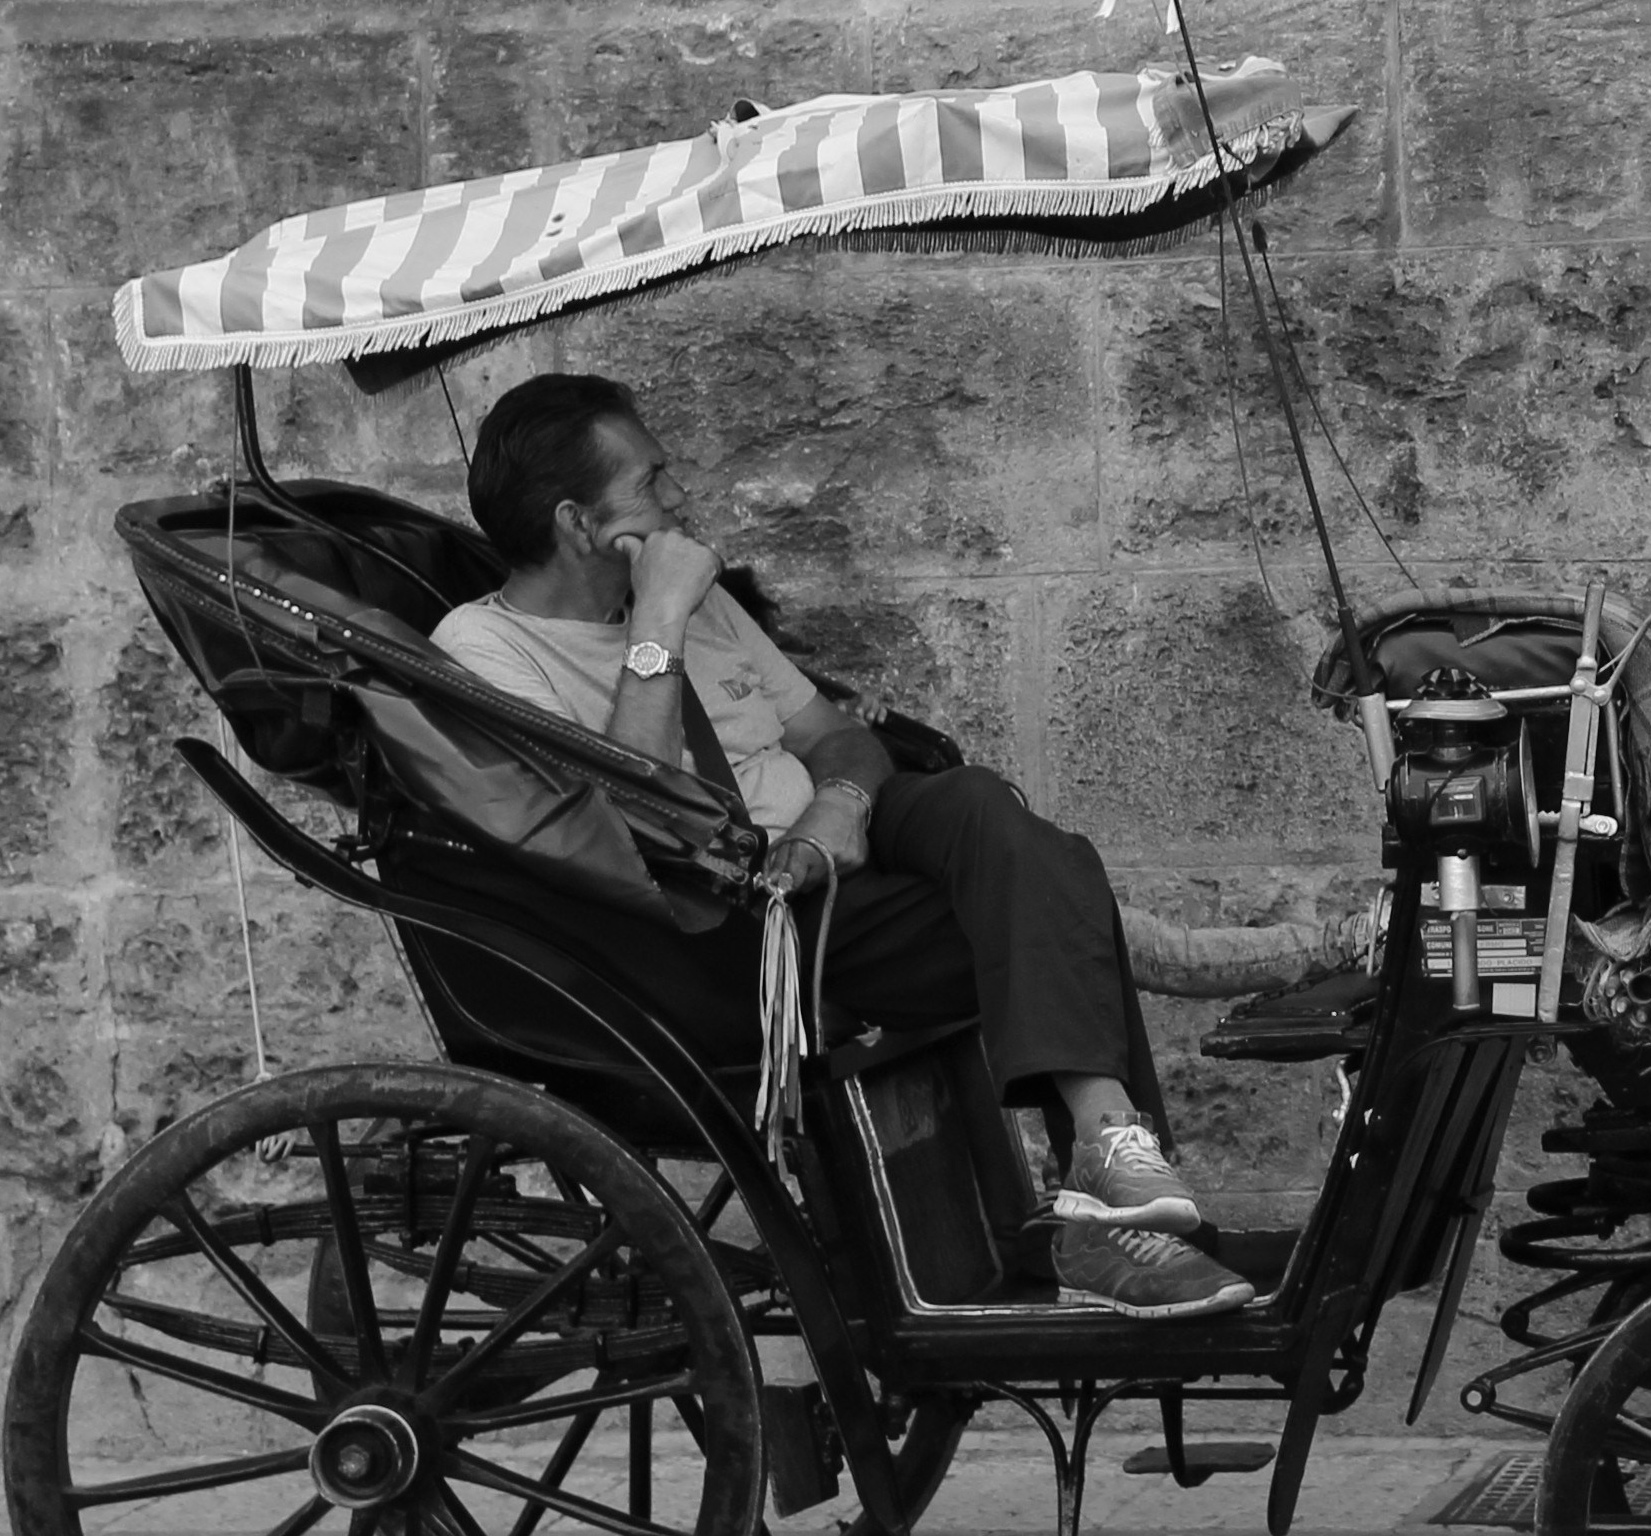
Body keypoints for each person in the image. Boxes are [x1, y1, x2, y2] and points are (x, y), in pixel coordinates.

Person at [428, 370, 1257, 1320]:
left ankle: (1108, 1148)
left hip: (841, 845)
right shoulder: (485, 650)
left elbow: (839, 737)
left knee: (983, 806)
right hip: (737, 915)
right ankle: (1107, 1227)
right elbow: (635, 816)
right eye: (653, 481)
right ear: (578, 524)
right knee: (1062, 892)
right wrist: (656, 620)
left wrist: (842, 804)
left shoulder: (706, 603)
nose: (680, 497)